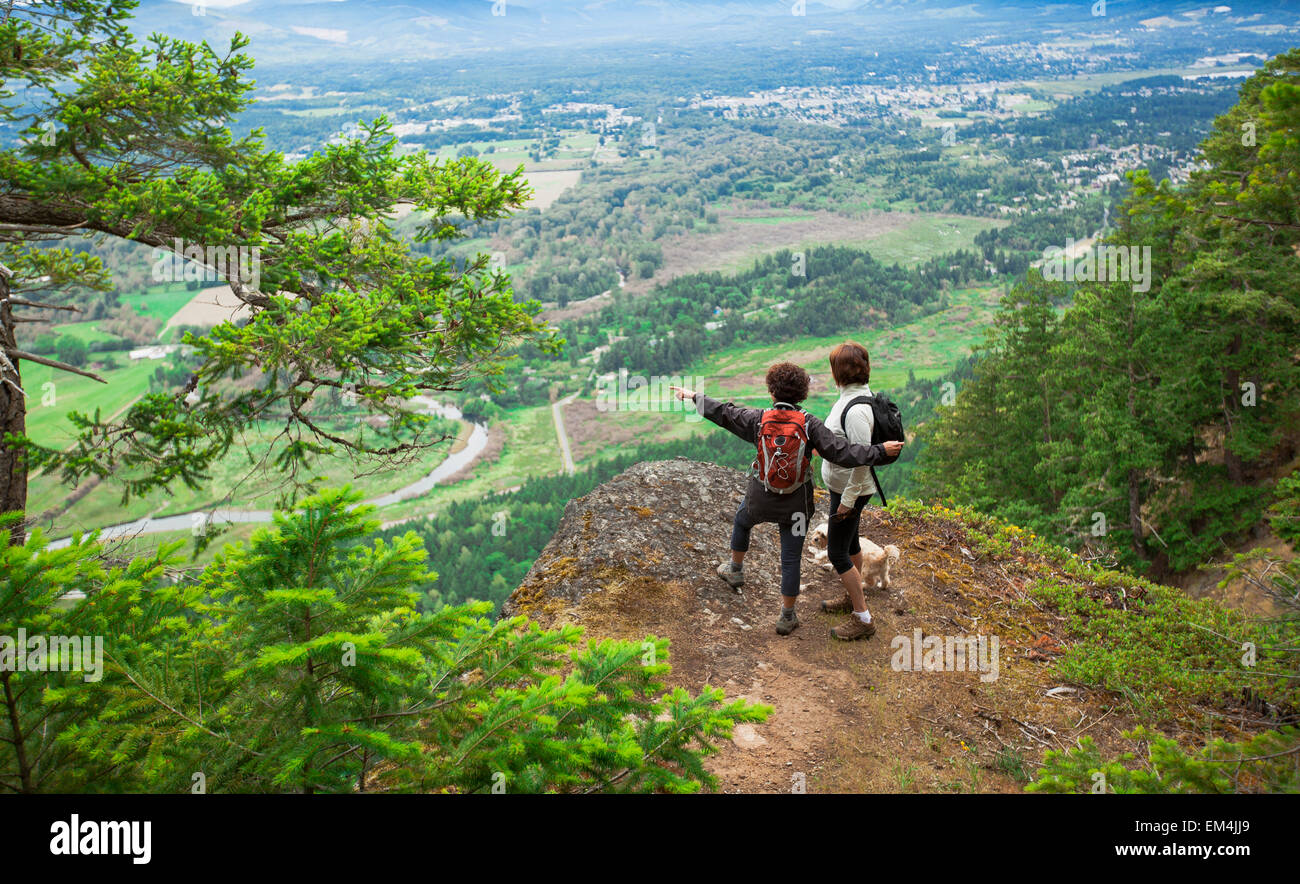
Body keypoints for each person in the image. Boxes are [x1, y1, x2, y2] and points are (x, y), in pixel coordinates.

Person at [670, 362, 904, 636]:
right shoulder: (810, 424)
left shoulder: (758, 419)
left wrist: (694, 396)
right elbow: (843, 452)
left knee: (742, 521)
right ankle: (787, 616)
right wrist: (879, 450)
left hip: (761, 498)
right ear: (803, 394)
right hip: (796, 504)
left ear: (771, 391)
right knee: (790, 557)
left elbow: (725, 413)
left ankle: (734, 568)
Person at [817, 341, 888, 641]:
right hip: (845, 488)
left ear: (838, 374)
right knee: (851, 544)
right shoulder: (855, 397)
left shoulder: (857, 410)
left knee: (836, 552)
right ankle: (851, 596)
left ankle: (862, 617)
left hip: (850, 490)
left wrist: (846, 502)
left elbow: (861, 461)